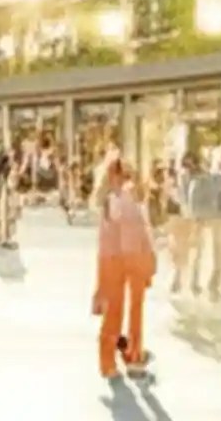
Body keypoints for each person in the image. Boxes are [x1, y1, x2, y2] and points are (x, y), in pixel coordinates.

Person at [92, 156, 156, 379]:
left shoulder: (111, 199)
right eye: (126, 174)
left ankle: (112, 360)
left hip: (114, 258)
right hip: (129, 256)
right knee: (128, 309)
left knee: (116, 309)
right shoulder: (121, 198)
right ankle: (131, 356)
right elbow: (141, 229)